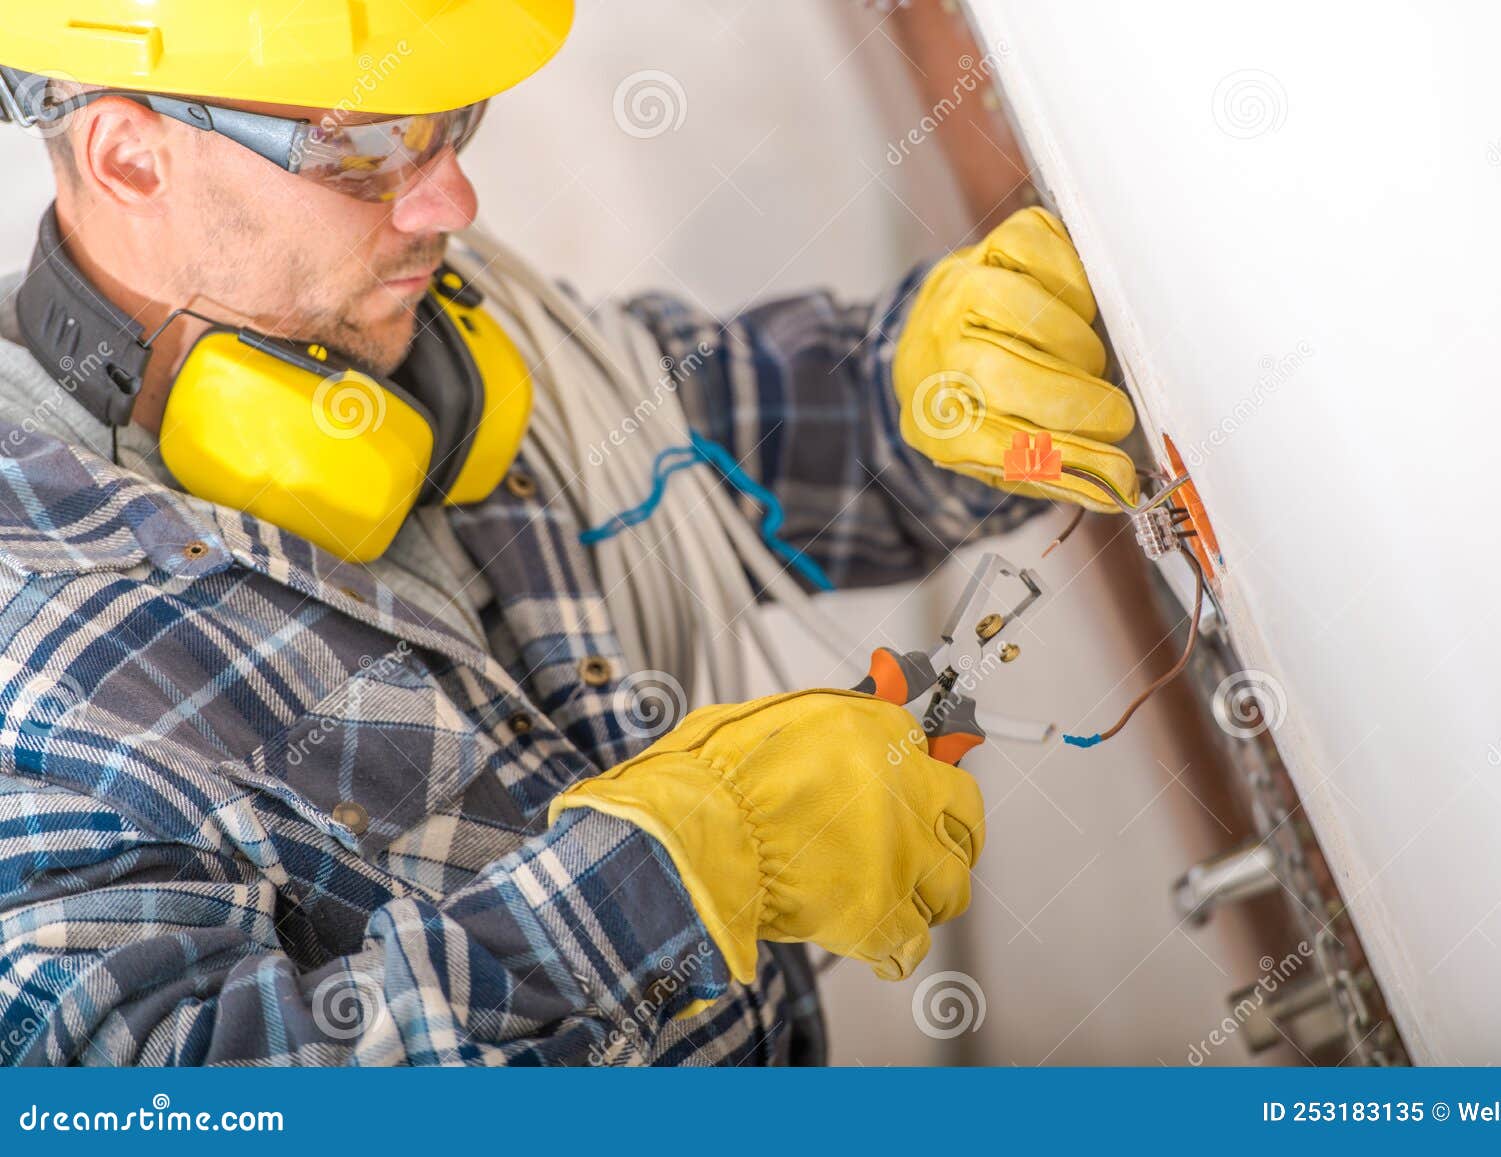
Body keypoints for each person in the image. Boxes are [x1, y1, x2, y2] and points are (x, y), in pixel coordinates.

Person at [0, 0, 1136, 1065]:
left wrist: (923, 395)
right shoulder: (30, 657)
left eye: (452, 125)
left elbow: (703, 453)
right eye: (368, 146)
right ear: (128, 155)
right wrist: (671, 881)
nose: (452, 201)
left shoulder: (407, 337)